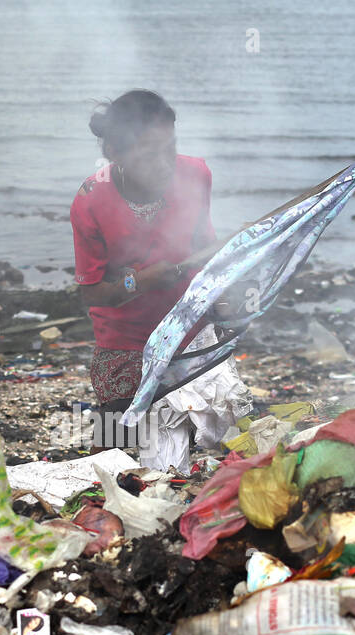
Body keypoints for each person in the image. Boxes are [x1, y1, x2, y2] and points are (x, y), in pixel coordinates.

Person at [69, 90, 231, 443]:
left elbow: (206, 248)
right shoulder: (91, 200)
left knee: (215, 448)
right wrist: (138, 283)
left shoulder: (196, 174)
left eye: (169, 148)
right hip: (127, 348)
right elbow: (91, 294)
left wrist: (223, 299)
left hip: (192, 334)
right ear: (115, 153)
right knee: (118, 452)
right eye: (148, 153)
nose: (163, 163)